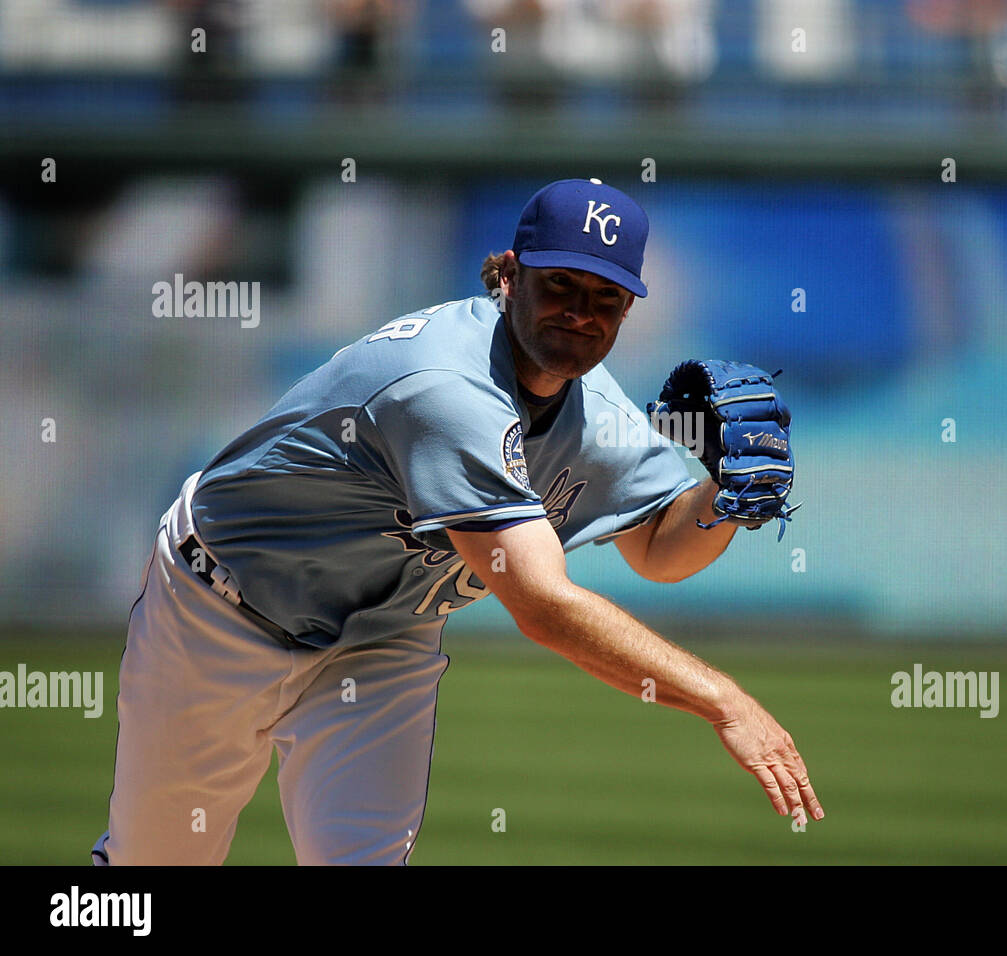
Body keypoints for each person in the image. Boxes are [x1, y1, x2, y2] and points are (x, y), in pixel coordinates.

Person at [93, 178, 821, 865]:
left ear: (627, 311)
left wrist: (723, 497)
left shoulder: (593, 407)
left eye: (605, 295)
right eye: (559, 283)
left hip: (382, 638)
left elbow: (661, 547)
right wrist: (722, 700)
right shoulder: (446, 387)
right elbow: (541, 606)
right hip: (225, 609)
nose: (580, 310)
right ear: (507, 274)